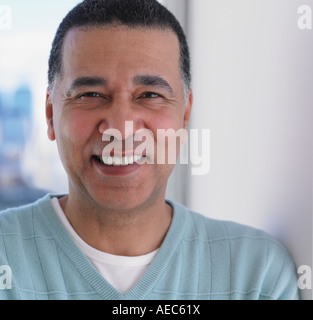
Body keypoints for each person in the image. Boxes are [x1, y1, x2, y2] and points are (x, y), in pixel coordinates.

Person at [0, 0, 299, 300]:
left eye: (150, 95)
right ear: (51, 115)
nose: (121, 126)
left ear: (184, 116)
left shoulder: (257, 276)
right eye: (90, 94)